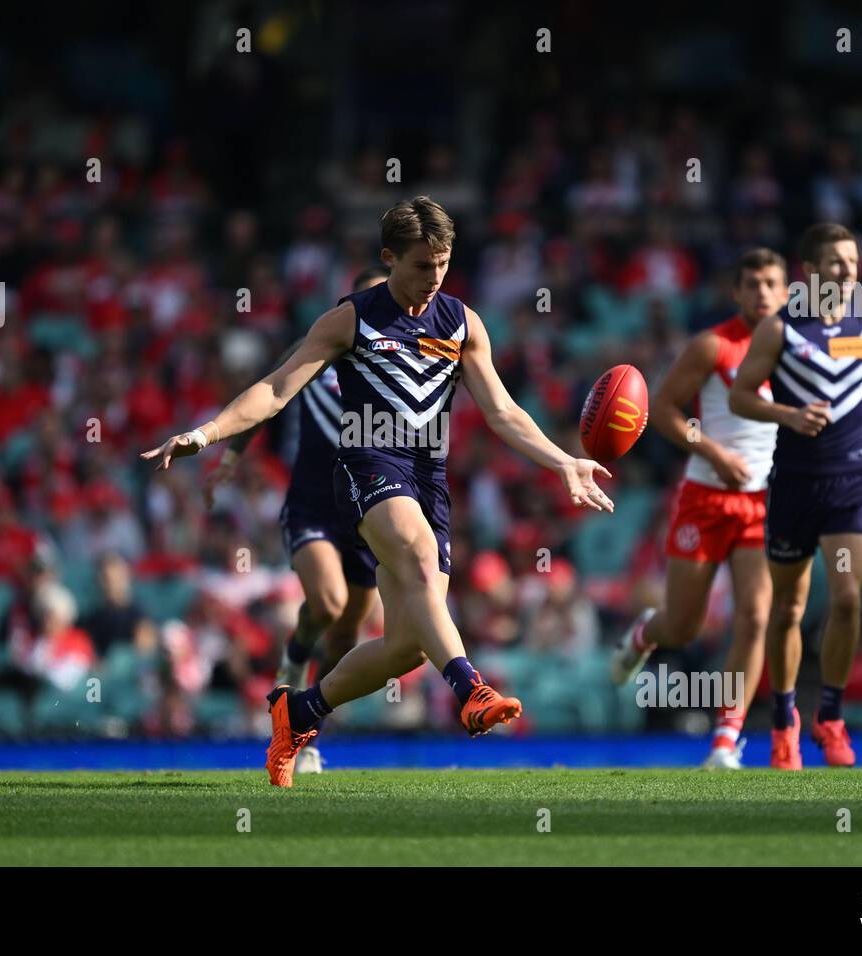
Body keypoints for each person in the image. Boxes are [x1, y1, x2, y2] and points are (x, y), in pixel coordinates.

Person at [143, 196, 614, 786]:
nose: (434, 276)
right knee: (418, 561)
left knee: (408, 646)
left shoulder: (463, 324)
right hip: (366, 462)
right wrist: (205, 434)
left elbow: (503, 412)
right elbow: (274, 389)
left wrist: (563, 461)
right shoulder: (352, 318)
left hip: (428, 479)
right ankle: (472, 688)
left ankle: (300, 710)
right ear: (389, 258)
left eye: (443, 263)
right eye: (422, 265)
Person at [202, 265, 389, 775]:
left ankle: (304, 734)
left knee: (350, 632)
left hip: (371, 514)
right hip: (311, 506)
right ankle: (293, 658)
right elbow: (268, 396)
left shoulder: (400, 369)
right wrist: (231, 457)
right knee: (327, 603)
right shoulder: (318, 348)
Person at [729, 223, 862, 769]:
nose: (847, 271)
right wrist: (787, 414)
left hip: (850, 484)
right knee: (788, 610)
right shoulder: (781, 329)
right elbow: (739, 396)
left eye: (852, 261)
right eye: (835, 262)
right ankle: (784, 721)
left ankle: (831, 716)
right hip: (795, 486)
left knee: (848, 599)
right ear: (810, 271)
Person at [610, 248, 786, 769]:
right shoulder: (712, 346)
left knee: (756, 616)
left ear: (785, 292)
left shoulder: (794, 352)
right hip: (705, 499)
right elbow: (661, 410)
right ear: (737, 292)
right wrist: (713, 451)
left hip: (760, 503)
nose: (761, 292)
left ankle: (725, 741)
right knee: (684, 627)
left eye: (771, 283)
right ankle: (644, 632)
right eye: (751, 283)